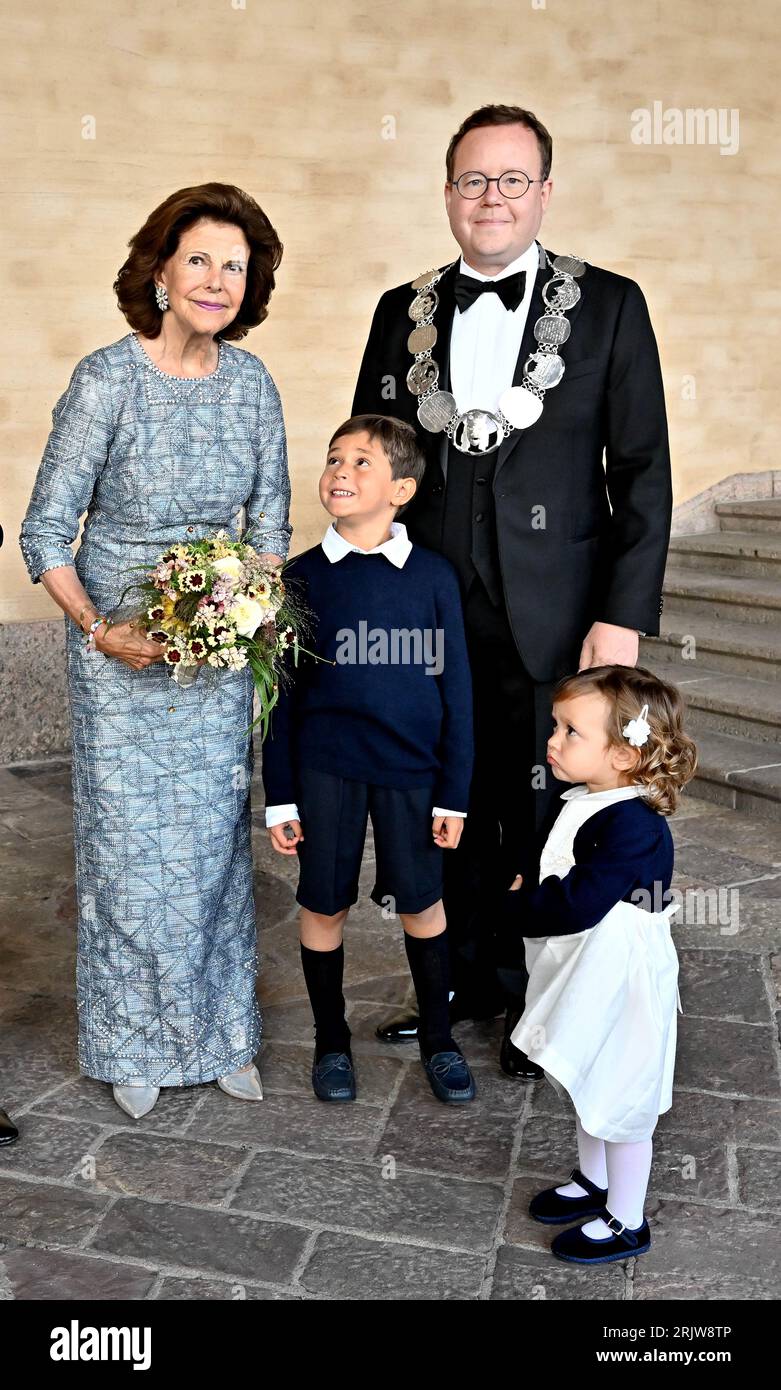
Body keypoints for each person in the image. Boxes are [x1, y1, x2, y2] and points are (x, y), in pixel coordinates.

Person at [351, 104, 673, 1079]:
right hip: (433, 619)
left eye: (511, 180)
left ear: (543, 191)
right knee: (447, 804)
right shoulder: (395, 310)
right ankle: (454, 988)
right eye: (471, 180)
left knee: (547, 818)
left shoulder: (612, 304)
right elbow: (372, 462)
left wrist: (620, 616)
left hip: (565, 620)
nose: (490, 198)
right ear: (448, 192)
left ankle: (549, 1007)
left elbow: (646, 472)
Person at [19, 183, 291, 1120]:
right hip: (118, 659)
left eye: (236, 266)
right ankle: (131, 1040)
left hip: (214, 664)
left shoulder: (252, 384)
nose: (218, 280)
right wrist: (101, 629)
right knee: (130, 858)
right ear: (162, 274)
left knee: (215, 850)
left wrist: (243, 608)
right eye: (201, 260)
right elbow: (45, 533)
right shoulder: (106, 380)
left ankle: (220, 1036)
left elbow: (270, 527)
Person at [261, 414, 477, 1104]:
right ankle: (331, 1041)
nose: (340, 472)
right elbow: (280, 697)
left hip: (413, 771)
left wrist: (454, 793)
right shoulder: (300, 578)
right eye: (334, 459)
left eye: (361, 462)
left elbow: (458, 693)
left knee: (422, 901)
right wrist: (281, 796)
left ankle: (440, 1038)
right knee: (323, 902)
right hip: (326, 766)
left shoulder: (433, 578)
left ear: (402, 489)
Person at [512, 665, 697, 1264]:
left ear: (622, 753)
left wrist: (510, 908)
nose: (553, 740)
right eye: (556, 725)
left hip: (621, 978)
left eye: (571, 731)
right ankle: (595, 1182)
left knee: (621, 1095)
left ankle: (627, 1218)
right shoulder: (592, 798)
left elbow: (578, 902)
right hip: (587, 967)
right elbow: (561, 869)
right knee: (590, 1077)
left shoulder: (634, 822)